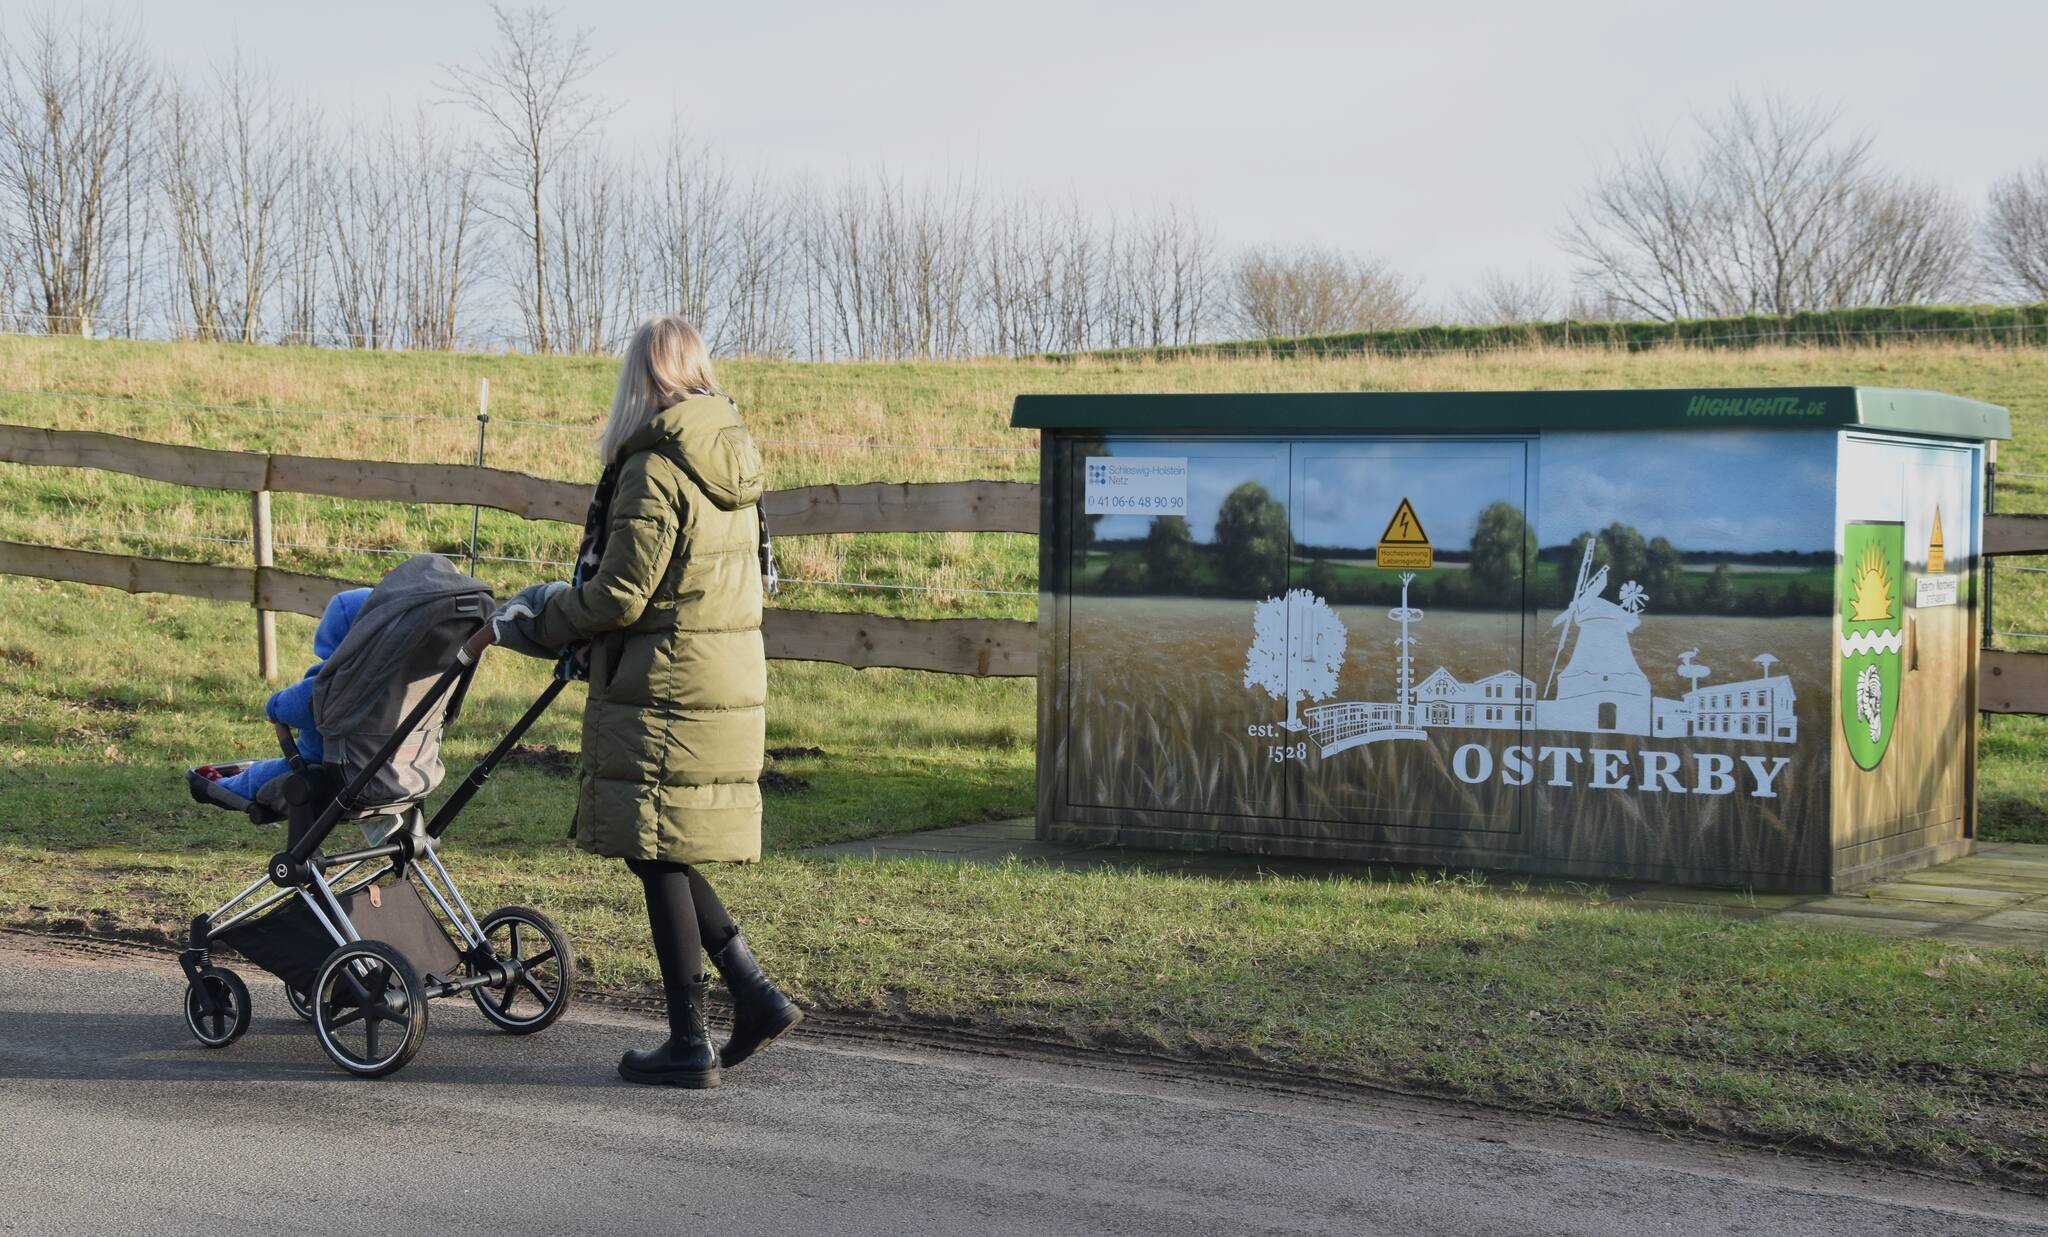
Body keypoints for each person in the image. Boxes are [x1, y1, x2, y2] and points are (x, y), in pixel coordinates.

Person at [511, 315, 798, 1090]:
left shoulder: (657, 464)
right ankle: (752, 994)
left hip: (668, 679)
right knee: (659, 844)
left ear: (644, 378)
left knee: (657, 844)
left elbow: (619, 593)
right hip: (717, 673)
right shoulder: (731, 453)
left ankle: (691, 1039)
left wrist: (544, 616)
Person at [189, 588, 373, 805]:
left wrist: (273, 706)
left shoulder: (331, 684)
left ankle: (225, 786)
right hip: (386, 772)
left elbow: (294, 707)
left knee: (260, 775)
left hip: (326, 769)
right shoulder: (396, 682)